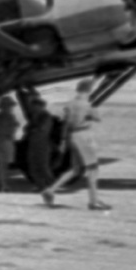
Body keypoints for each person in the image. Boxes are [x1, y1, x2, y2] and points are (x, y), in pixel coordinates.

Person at [42, 79, 109, 211]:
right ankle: (93, 201)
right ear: (89, 90)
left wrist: (62, 140)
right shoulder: (87, 105)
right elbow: (98, 118)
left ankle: (50, 190)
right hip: (84, 136)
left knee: (75, 169)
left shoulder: (69, 104)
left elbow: (65, 123)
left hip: (72, 136)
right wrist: (90, 114)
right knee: (93, 169)